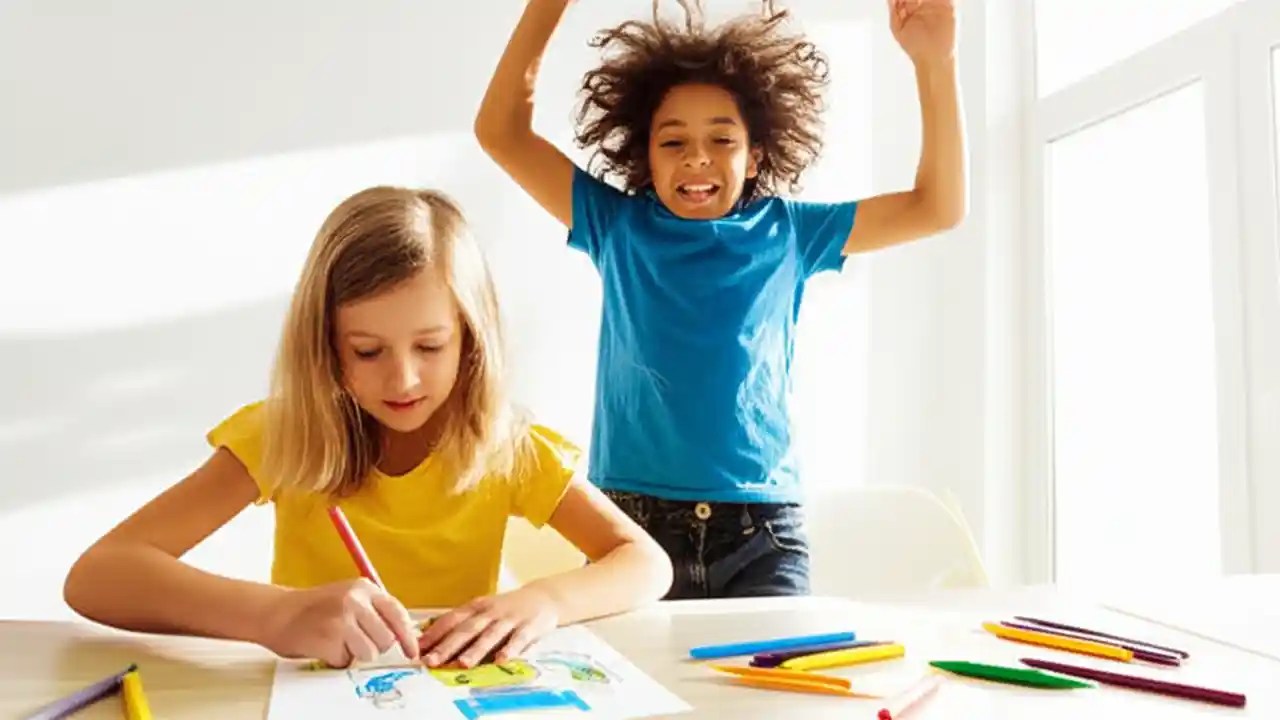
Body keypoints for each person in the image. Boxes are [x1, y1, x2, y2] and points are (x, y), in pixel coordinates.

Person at [62, 186, 673, 669]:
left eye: (430, 346)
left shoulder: (503, 445)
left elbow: (644, 561)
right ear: (326, 347)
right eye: (368, 351)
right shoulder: (284, 435)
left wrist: (544, 601)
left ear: (470, 339)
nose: (403, 380)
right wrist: (274, 616)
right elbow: (99, 575)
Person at [474, 0, 966, 599]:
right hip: (635, 531)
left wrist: (934, 63)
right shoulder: (616, 225)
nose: (697, 157)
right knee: (635, 692)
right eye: (673, 141)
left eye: (722, 139)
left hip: (763, 533)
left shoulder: (791, 232)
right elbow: (499, 131)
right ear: (644, 157)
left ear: (755, 155)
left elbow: (936, 207)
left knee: (780, 692)